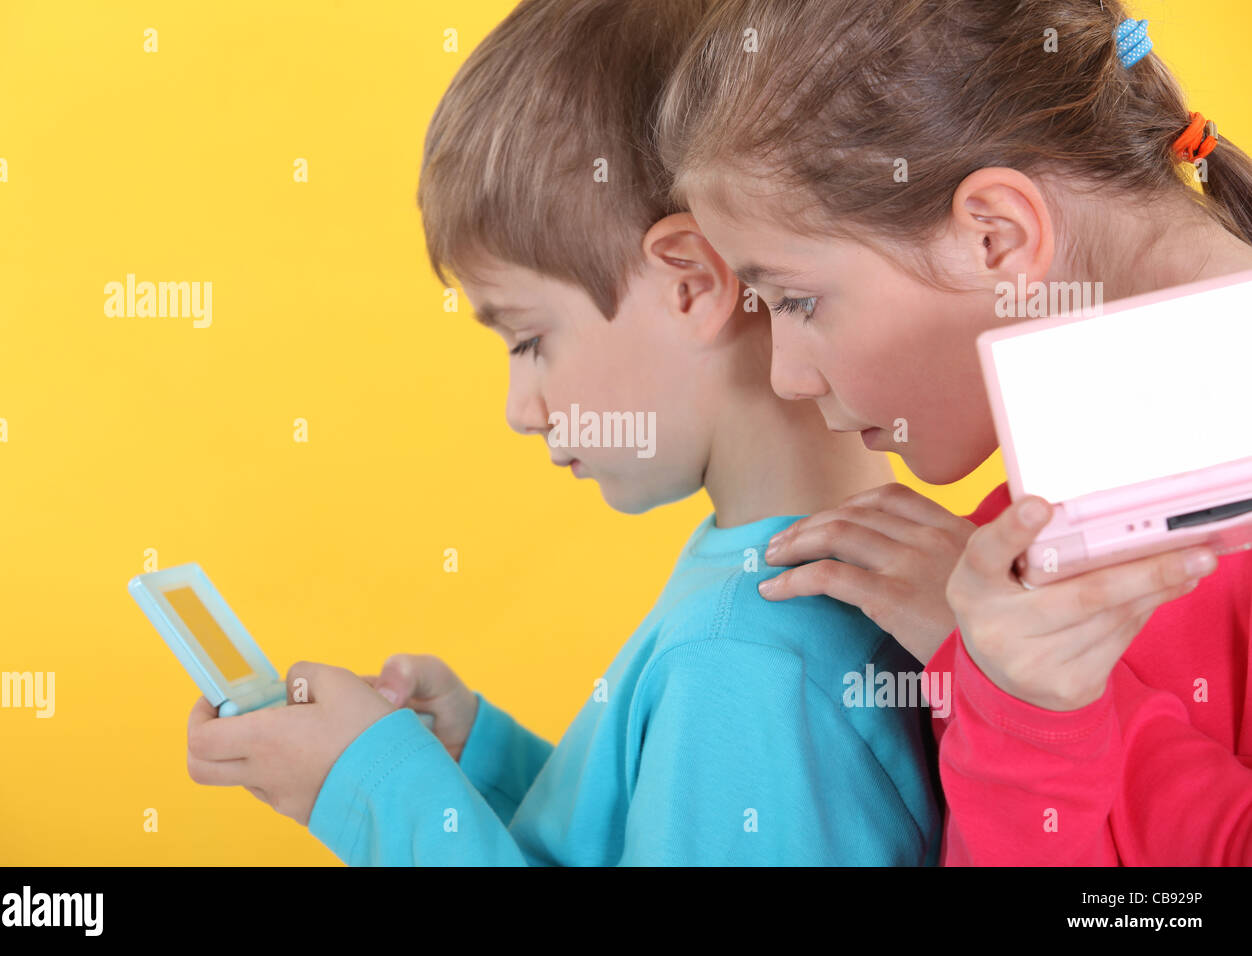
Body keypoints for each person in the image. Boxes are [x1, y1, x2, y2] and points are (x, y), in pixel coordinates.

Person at [183, 0, 942, 866]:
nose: (520, 406)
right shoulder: (775, 587)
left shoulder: (745, 657)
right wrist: (486, 767)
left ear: (691, 285)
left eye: (529, 340)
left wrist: (376, 792)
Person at [655, 0, 1252, 864]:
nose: (786, 375)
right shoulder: (1026, 523)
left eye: (798, 300)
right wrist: (1008, 690)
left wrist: (1030, 690)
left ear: (995, 238)